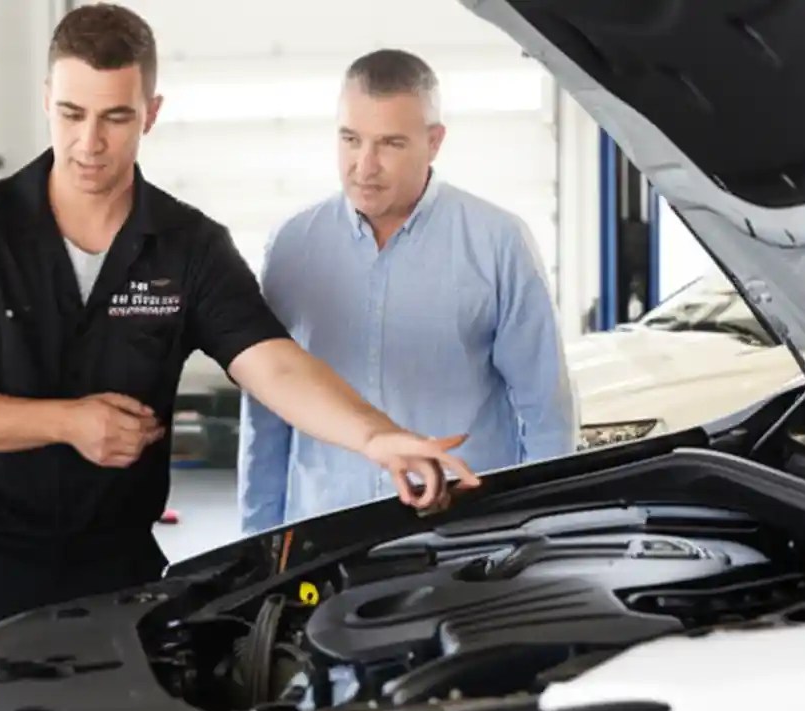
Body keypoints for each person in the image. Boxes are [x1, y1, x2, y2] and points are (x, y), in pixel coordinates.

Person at [0, 4, 481, 698]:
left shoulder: (188, 246)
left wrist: (379, 439)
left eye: (116, 118)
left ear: (152, 112)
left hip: (117, 571)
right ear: (47, 101)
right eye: (72, 113)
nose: (89, 143)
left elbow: (272, 362)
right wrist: (68, 421)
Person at [238, 49, 576, 534]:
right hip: (328, 528)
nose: (364, 165)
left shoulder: (499, 242)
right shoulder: (292, 244)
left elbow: (546, 410)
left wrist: (542, 530)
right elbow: (267, 410)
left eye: (390, 144)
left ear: (434, 141)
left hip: (463, 530)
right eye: (350, 139)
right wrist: (257, 538)